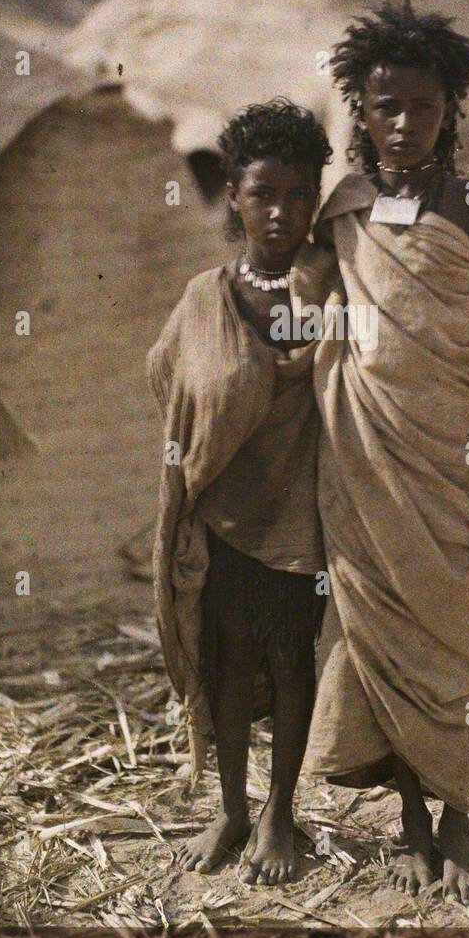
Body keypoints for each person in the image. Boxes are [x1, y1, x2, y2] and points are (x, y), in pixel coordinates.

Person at [306, 0, 469, 904]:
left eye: (423, 105)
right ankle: (413, 825)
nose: (404, 122)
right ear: (360, 109)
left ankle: (459, 817)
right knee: (379, 632)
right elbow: (303, 303)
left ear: (449, 109)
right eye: (386, 104)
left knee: (457, 633)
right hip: (361, 457)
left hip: (452, 457)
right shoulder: (342, 205)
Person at [148, 99, 333, 885]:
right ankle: (230, 807)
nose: (280, 211)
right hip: (221, 517)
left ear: (316, 199)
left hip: (299, 519)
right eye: (263, 194)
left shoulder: (328, 291)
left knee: (293, 663)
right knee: (227, 666)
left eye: (297, 194)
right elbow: (167, 375)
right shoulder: (205, 297)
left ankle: (279, 812)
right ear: (235, 197)